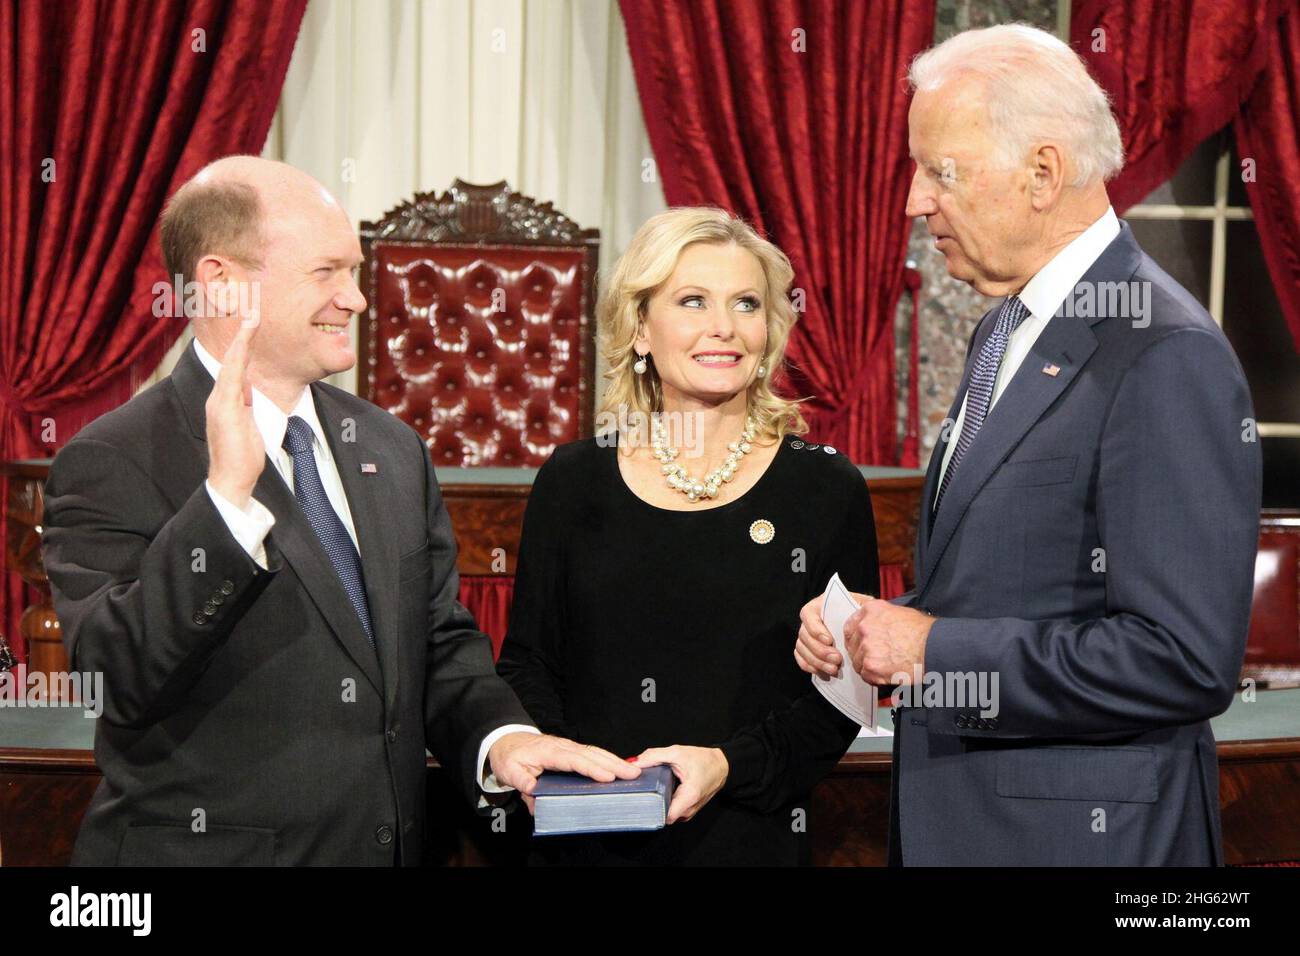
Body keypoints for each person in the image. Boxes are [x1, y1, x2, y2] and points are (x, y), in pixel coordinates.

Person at [40, 156, 637, 866]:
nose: (355, 299)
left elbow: (437, 643)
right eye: (326, 273)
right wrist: (226, 503)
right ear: (221, 283)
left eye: (352, 272)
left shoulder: (390, 447)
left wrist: (504, 740)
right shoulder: (112, 456)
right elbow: (119, 678)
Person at [795, 24, 1261, 866]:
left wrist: (933, 650)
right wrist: (869, 634)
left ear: (1042, 173)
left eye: (940, 171)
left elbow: (1183, 660)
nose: (912, 201)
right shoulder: (1003, 331)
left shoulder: (1163, 352)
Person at [496, 208, 876, 866]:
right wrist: (568, 774)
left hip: (748, 834)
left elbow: (844, 695)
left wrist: (729, 766)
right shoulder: (573, 480)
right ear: (640, 328)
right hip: (584, 834)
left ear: (771, 329)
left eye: (746, 304)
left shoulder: (826, 488)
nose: (722, 327)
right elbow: (529, 663)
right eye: (693, 301)